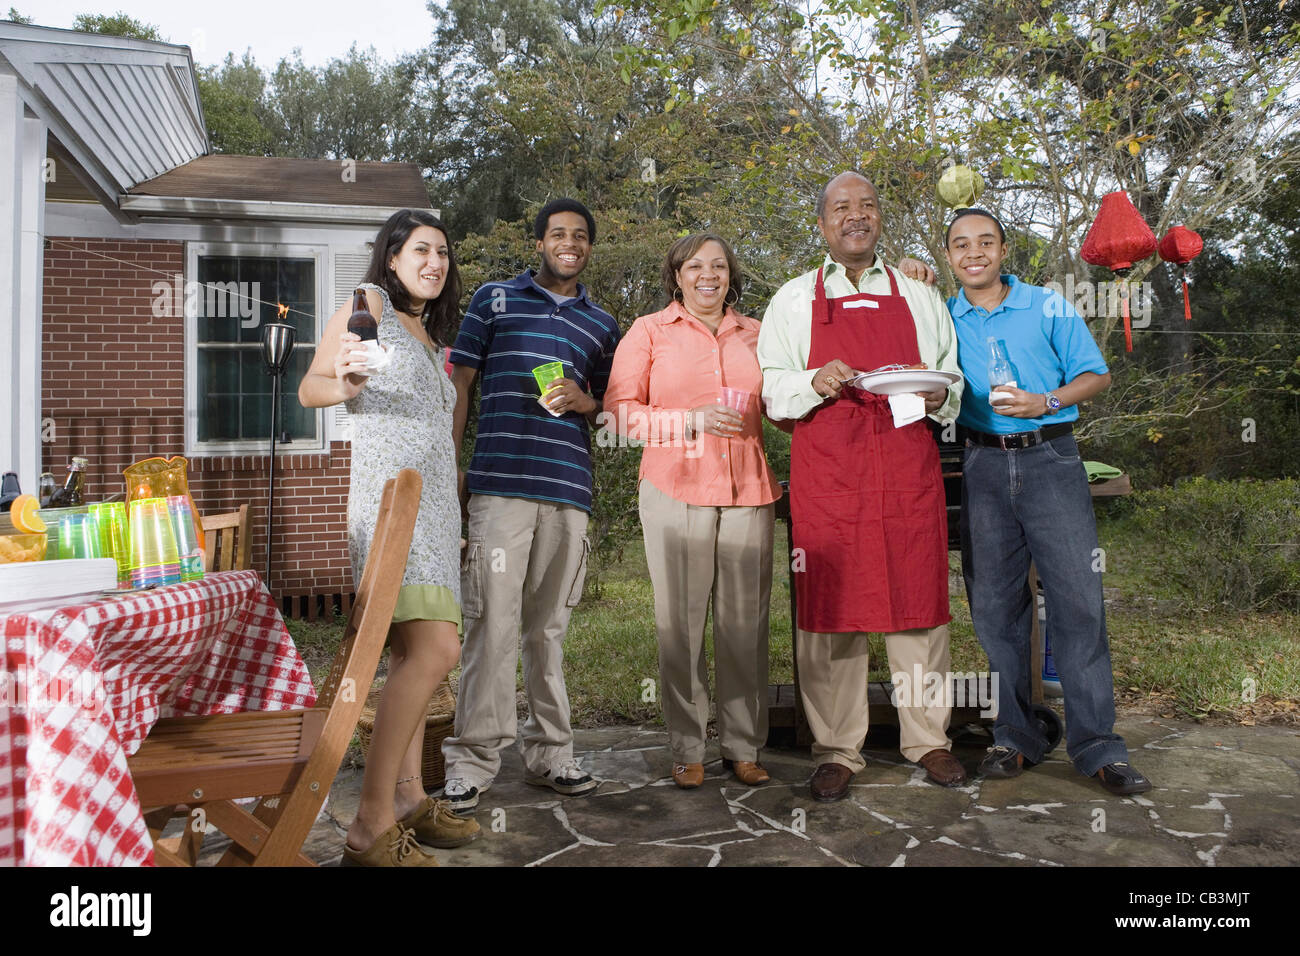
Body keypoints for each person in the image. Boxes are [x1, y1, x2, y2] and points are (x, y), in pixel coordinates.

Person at [756, 170, 966, 802]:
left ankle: (928, 739)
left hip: (907, 469)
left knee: (917, 609)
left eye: (868, 206)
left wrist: (935, 392)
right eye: (842, 208)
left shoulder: (918, 292)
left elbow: (950, 378)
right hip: (831, 473)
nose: (857, 216)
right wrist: (814, 379)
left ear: (880, 219)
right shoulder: (793, 299)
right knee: (831, 615)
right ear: (822, 224)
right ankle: (838, 748)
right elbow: (770, 384)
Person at [943, 207, 1152, 795]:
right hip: (980, 464)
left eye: (985, 241)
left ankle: (1098, 747)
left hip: (1050, 458)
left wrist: (1046, 400)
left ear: (1004, 249)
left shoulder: (1047, 306)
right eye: (961, 245)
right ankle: (1016, 735)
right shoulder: (943, 315)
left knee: (1077, 603)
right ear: (950, 257)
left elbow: (1096, 374)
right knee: (993, 607)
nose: (974, 252)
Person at [299, 208, 480, 866]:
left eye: (443, 252)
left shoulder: (429, 337)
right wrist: (344, 380)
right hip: (390, 511)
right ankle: (370, 823)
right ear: (394, 258)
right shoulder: (369, 302)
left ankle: (407, 797)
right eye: (421, 250)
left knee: (412, 658)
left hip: (435, 516)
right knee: (438, 650)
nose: (435, 262)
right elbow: (312, 386)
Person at [441, 198, 621, 810]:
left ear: (589, 248)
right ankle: (472, 760)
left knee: (549, 629)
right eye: (557, 234)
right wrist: (451, 469)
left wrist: (586, 400)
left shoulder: (603, 324)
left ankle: (551, 753)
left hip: (568, 491)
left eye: (579, 236)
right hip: (499, 488)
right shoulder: (494, 300)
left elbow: (612, 405)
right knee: (491, 624)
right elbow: (460, 383)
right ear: (539, 241)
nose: (569, 243)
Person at [603, 234, 782, 789]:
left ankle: (743, 744)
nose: (709, 274)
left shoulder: (758, 332)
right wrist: (690, 420)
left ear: (731, 275)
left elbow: (784, 405)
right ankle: (687, 746)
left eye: (720, 265)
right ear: (677, 275)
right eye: (696, 266)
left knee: (744, 627)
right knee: (680, 626)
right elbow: (618, 414)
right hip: (675, 487)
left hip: (749, 490)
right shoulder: (648, 331)